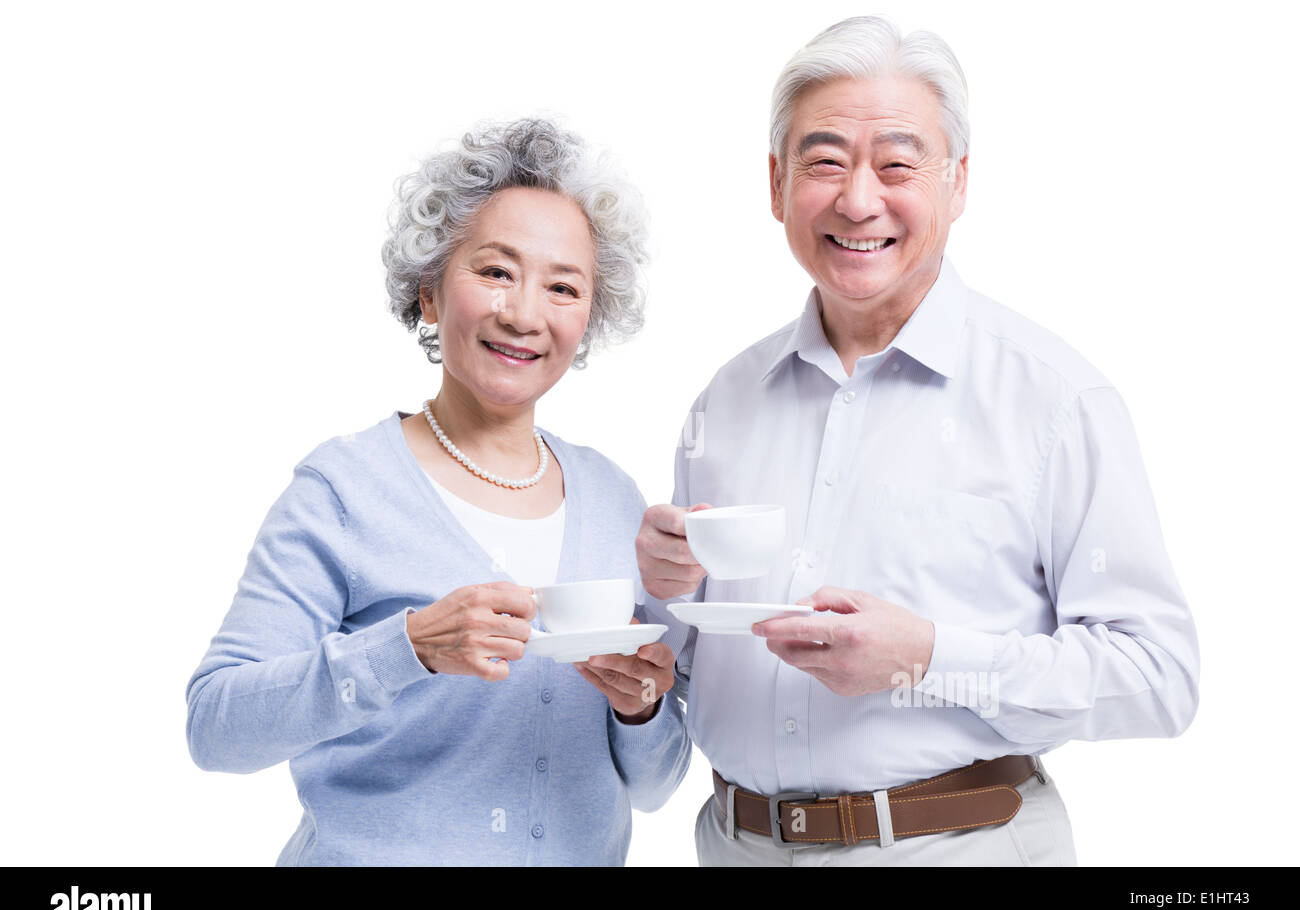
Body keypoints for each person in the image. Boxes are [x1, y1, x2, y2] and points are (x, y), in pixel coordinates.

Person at [637, 16, 1198, 866]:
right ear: (776, 183)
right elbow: (683, 666)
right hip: (734, 844)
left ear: (959, 182)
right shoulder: (727, 398)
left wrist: (927, 658)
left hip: (956, 847)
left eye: (898, 165)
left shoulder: (1054, 399)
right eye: (825, 161)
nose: (858, 200)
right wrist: (660, 591)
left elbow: (1159, 679)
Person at [186, 117, 690, 866]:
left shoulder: (615, 498)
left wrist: (642, 707)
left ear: (587, 320)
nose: (523, 313)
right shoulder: (345, 489)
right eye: (494, 272)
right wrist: (408, 648)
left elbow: (655, 785)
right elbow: (216, 728)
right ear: (428, 292)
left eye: (563, 286)